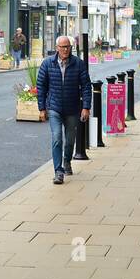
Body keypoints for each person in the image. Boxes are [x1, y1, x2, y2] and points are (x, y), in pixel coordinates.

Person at [36, 35, 91, 184]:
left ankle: (67, 161)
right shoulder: (47, 63)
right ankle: (58, 171)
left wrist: (86, 107)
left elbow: (86, 86)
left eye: (68, 47)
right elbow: (41, 86)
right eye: (62, 47)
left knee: (70, 140)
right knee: (57, 138)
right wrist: (42, 108)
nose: (65, 49)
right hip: (54, 108)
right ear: (57, 48)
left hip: (72, 108)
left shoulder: (78, 64)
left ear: (71, 48)